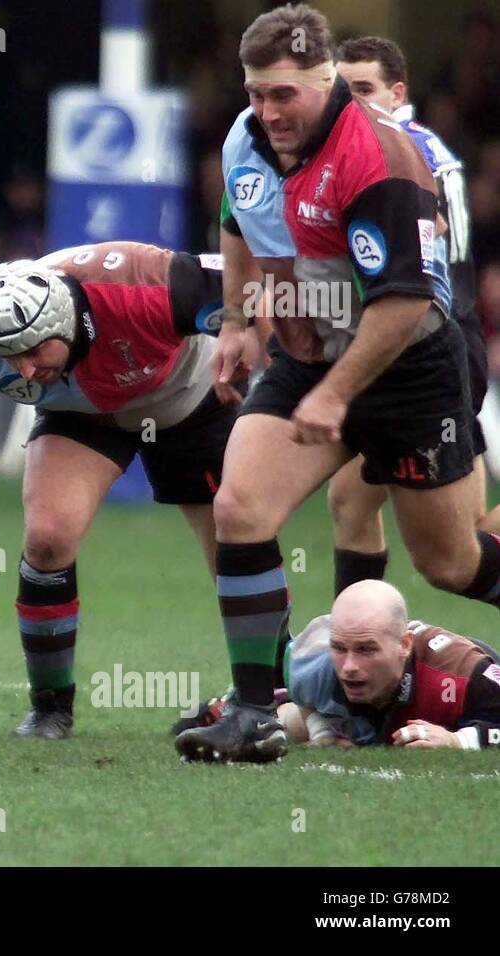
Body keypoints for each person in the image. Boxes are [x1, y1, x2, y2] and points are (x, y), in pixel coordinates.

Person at [176, 3, 500, 764]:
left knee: (448, 563)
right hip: (308, 355)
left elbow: (409, 300)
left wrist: (336, 394)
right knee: (241, 507)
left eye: (283, 94)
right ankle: (257, 713)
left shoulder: (383, 161)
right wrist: (234, 320)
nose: (267, 111)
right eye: (255, 93)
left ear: (328, 82)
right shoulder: (246, 137)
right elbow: (234, 216)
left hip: (409, 368)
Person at [0, 241, 236, 738]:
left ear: (64, 322)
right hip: (82, 411)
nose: (25, 370)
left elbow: (257, 286)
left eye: (34, 351)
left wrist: (270, 353)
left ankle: (267, 689)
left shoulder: (143, 286)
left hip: (187, 396)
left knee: (235, 540)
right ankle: (50, 707)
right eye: (10, 357)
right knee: (48, 537)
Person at [328, 35, 498, 596]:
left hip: (438, 347)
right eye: (341, 91)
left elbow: (432, 239)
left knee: (443, 555)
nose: (353, 104)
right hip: (420, 344)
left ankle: (351, 645)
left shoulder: (414, 149)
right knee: (359, 503)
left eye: (364, 90)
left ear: (397, 93)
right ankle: (351, 643)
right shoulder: (364, 146)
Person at [281, 581, 500, 749]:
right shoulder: (311, 663)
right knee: (284, 724)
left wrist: (457, 740)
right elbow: (303, 696)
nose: (348, 666)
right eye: (339, 648)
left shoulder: (463, 674)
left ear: (405, 644)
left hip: (466, 712)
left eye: (365, 649)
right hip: (364, 717)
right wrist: (321, 732)